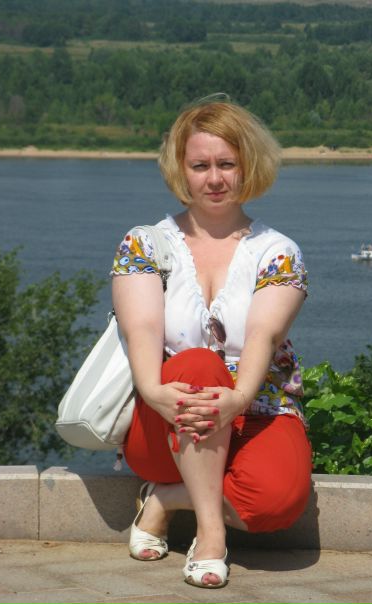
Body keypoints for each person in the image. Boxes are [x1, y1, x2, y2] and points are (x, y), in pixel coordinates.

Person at [110, 97, 312, 589]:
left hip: (254, 409)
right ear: (181, 170)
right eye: (200, 166)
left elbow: (264, 334)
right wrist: (154, 391)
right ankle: (211, 535)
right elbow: (142, 329)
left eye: (227, 164)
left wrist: (238, 398)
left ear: (248, 166)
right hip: (167, 417)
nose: (215, 179)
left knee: (276, 504)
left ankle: (165, 498)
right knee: (199, 363)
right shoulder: (144, 244)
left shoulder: (277, 251)